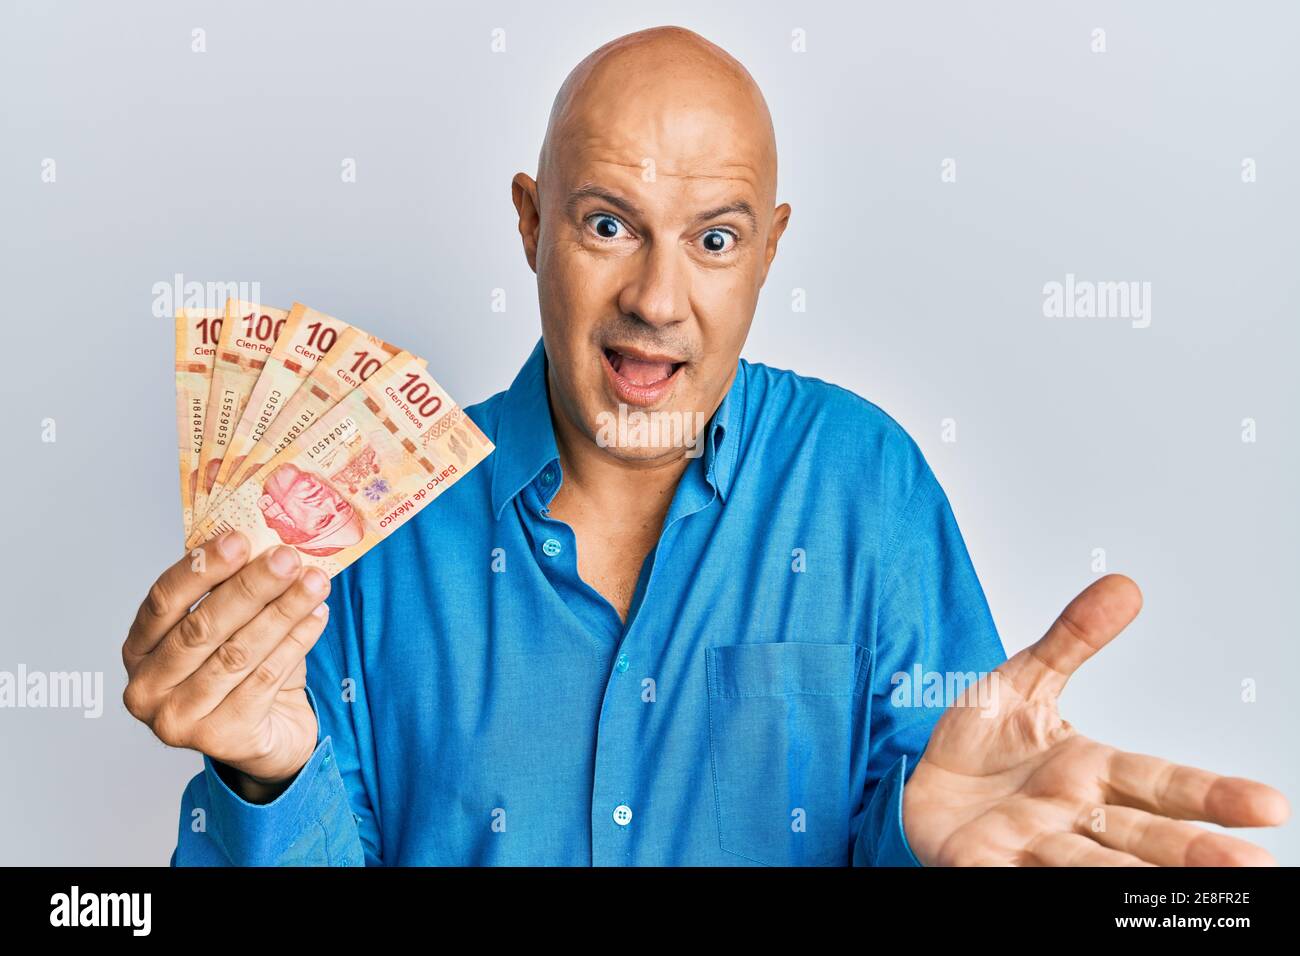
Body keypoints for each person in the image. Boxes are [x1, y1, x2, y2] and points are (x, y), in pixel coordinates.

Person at [122, 25, 1287, 866]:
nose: (658, 298)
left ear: (769, 248)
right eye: (607, 224)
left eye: (715, 238)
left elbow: (943, 815)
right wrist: (267, 776)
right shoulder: (368, 519)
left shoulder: (862, 484)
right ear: (530, 223)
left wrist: (930, 853)